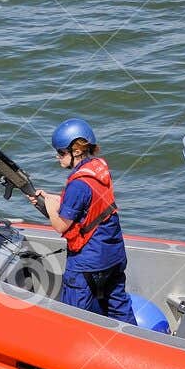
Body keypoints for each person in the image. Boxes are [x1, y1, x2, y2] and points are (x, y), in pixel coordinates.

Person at [30, 117, 134, 321]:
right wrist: (54, 200)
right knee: (119, 307)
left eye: (61, 152)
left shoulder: (77, 185)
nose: (57, 157)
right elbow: (88, 205)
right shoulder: (97, 169)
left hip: (87, 263)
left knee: (75, 316)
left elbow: (61, 225)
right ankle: (138, 343)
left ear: (76, 151)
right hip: (113, 255)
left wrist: (51, 209)